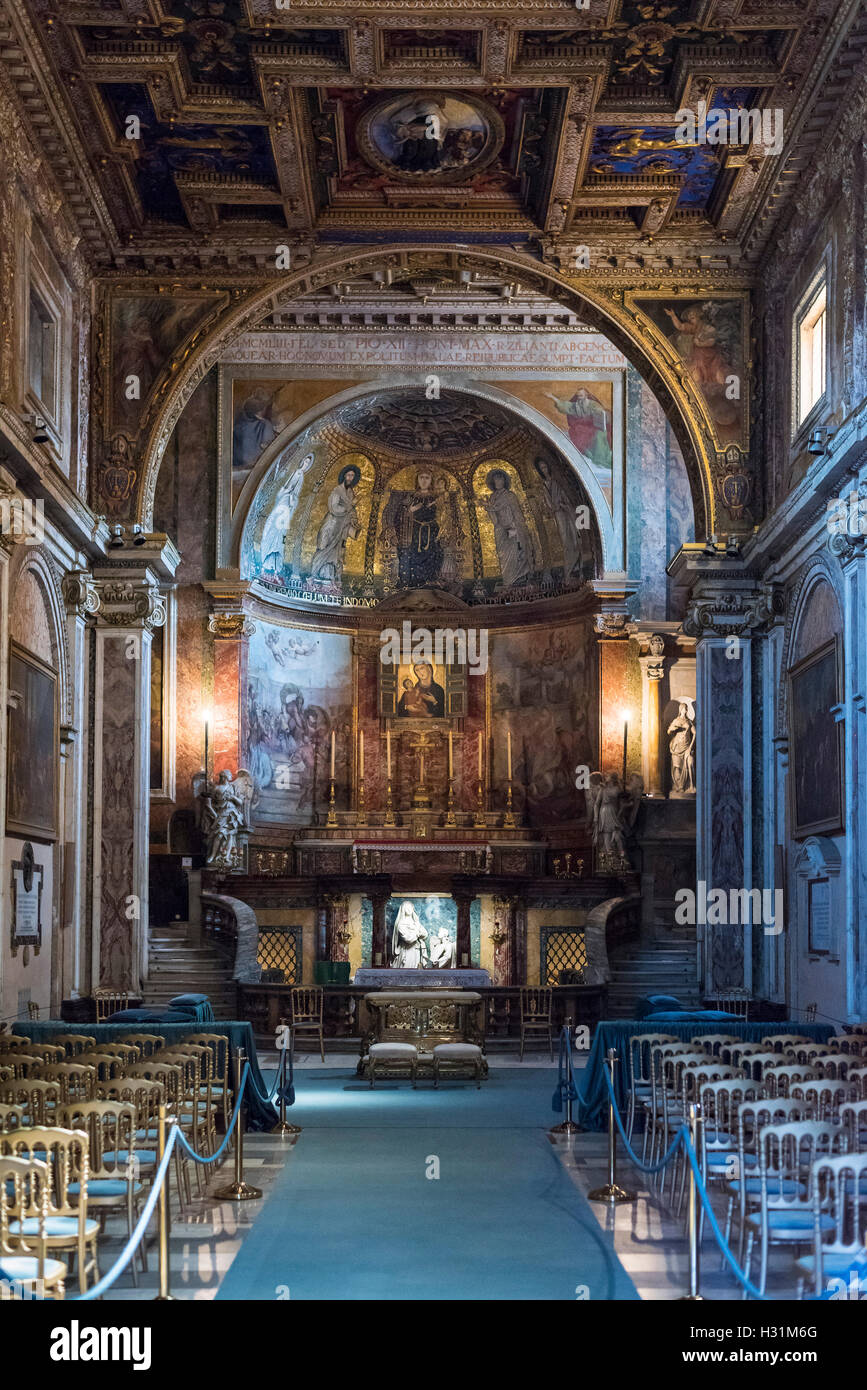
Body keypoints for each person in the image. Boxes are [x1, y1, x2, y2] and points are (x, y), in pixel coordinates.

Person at [481, 469, 534, 587]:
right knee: (504, 555)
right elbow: (494, 519)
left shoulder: (510, 496)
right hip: (500, 530)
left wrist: (516, 528)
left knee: (517, 553)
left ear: (504, 481)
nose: (498, 481)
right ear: (493, 482)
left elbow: (517, 513)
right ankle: (509, 582)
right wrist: (488, 509)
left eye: (500, 479)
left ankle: (520, 579)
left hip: (513, 528)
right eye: (496, 479)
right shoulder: (493, 498)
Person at [309, 464, 361, 584]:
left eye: (352, 476)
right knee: (324, 547)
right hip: (331, 525)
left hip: (342, 527)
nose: (350, 478)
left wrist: (354, 519)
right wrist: (350, 506)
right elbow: (334, 508)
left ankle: (331, 577)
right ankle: (315, 573)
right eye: (348, 475)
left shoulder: (351, 493)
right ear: (344, 476)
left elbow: (352, 510)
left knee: (337, 552)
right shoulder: (337, 490)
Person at [390, 901, 428, 969]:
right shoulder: (401, 924)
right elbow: (408, 939)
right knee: (407, 970)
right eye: (407, 908)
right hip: (407, 951)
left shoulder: (416, 922)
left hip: (417, 950)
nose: (409, 910)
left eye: (410, 908)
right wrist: (417, 932)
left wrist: (417, 932)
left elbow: (425, 934)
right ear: (403, 910)